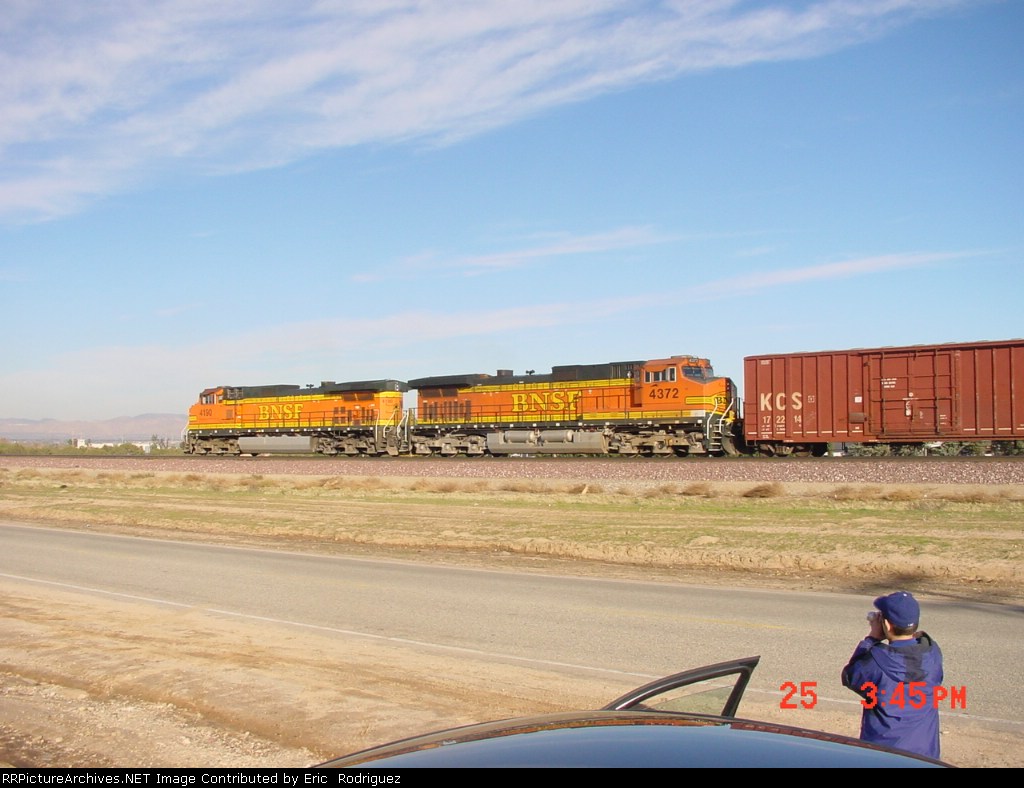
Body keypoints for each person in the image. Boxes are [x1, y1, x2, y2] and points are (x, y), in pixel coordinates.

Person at [841, 591, 943, 759]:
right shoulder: (932, 654)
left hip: (883, 754)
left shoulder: (876, 660)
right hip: (925, 756)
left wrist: (872, 638)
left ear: (887, 625)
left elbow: (850, 676)